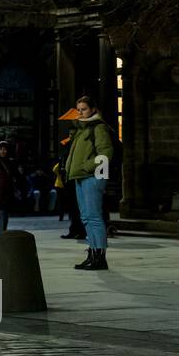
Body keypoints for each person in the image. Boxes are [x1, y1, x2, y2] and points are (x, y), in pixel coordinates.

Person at [67, 95, 115, 270]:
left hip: (93, 176)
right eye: (78, 110)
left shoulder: (98, 127)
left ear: (93, 109)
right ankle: (93, 253)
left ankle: (100, 257)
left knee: (94, 217)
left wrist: (88, 167)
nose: (80, 112)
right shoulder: (82, 129)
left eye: (84, 109)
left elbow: (106, 152)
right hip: (81, 176)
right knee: (86, 217)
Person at [0, 140, 23, 235]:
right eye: (1, 149)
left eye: (5, 149)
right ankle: (1, 236)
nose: (3, 151)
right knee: (0, 216)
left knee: (5, 216)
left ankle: (2, 235)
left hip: (8, 193)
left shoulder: (12, 162)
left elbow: (18, 177)